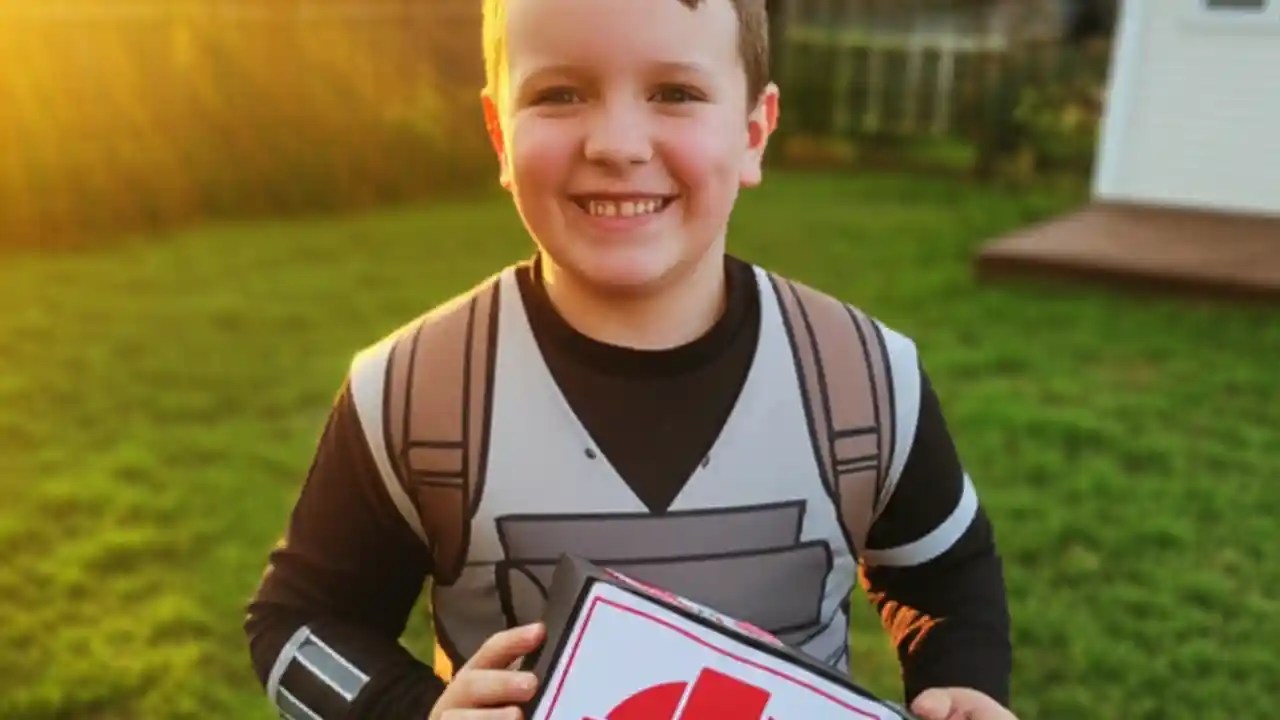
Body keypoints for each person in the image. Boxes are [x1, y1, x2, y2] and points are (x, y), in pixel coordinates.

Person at [242, 0, 1017, 718]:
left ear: (754, 130)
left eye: (675, 92)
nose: (615, 144)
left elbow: (947, 575)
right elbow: (299, 621)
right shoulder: (413, 394)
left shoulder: (864, 379)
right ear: (498, 135)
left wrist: (960, 683)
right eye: (559, 94)